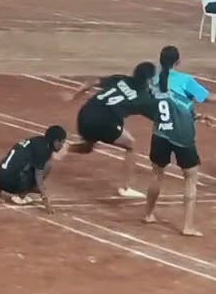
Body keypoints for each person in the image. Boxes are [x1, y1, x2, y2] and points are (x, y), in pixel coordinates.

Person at [141, 47, 216, 237]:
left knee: (156, 175)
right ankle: (188, 225)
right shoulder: (185, 80)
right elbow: (209, 97)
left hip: (160, 133)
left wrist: (194, 116)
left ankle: (148, 214)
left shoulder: (152, 82)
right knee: (190, 178)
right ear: (177, 62)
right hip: (182, 136)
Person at [62, 61, 160, 198]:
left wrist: (74, 95)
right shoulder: (143, 98)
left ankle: (62, 147)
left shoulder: (121, 79)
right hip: (104, 122)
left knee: (87, 148)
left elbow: (94, 81)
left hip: (85, 113)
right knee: (131, 145)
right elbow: (158, 116)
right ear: (148, 79)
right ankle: (125, 188)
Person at [0, 125, 68, 213]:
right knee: (47, 167)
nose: (62, 146)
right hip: (10, 183)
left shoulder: (38, 141)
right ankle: (20, 196)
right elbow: (38, 175)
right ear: (55, 141)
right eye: (61, 142)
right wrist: (45, 199)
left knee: (21, 165)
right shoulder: (43, 150)